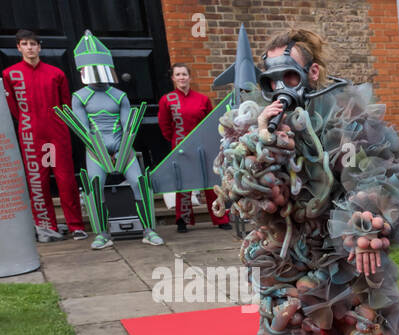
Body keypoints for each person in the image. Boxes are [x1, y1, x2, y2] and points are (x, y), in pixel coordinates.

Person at [213, 28, 399, 335]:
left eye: (287, 75)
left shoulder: (347, 114)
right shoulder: (255, 121)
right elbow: (243, 190)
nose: (277, 86)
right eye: (270, 78)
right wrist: (265, 139)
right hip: (283, 256)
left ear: (313, 71)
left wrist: (366, 220)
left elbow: (374, 171)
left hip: (338, 252)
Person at [56, 31, 165, 249]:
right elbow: (83, 129)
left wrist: (121, 151)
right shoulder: (80, 97)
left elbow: (127, 127)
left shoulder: (119, 96)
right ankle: (103, 233)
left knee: (139, 182)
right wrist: (100, 152)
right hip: (96, 151)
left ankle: (148, 230)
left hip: (122, 149)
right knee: (94, 187)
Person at [2, 29, 87, 241]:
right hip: (31, 135)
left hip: (56, 134)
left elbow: (65, 103)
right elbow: (13, 107)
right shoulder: (10, 74)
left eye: (33, 44)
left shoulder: (56, 73)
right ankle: (45, 227)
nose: (30, 48)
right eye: (25, 44)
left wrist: (58, 124)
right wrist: (27, 123)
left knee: (65, 179)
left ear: (39, 47)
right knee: (37, 181)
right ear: (18, 47)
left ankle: (75, 225)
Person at [158, 63, 231, 233]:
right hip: (181, 146)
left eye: (184, 74)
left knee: (211, 182)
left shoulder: (202, 99)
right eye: (178, 75)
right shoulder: (167, 100)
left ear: (190, 77)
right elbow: (165, 125)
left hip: (203, 145)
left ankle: (220, 217)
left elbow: (211, 123)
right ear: (173, 78)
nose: (181, 77)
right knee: (183, 184)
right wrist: (177, 141)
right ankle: (182, 220)